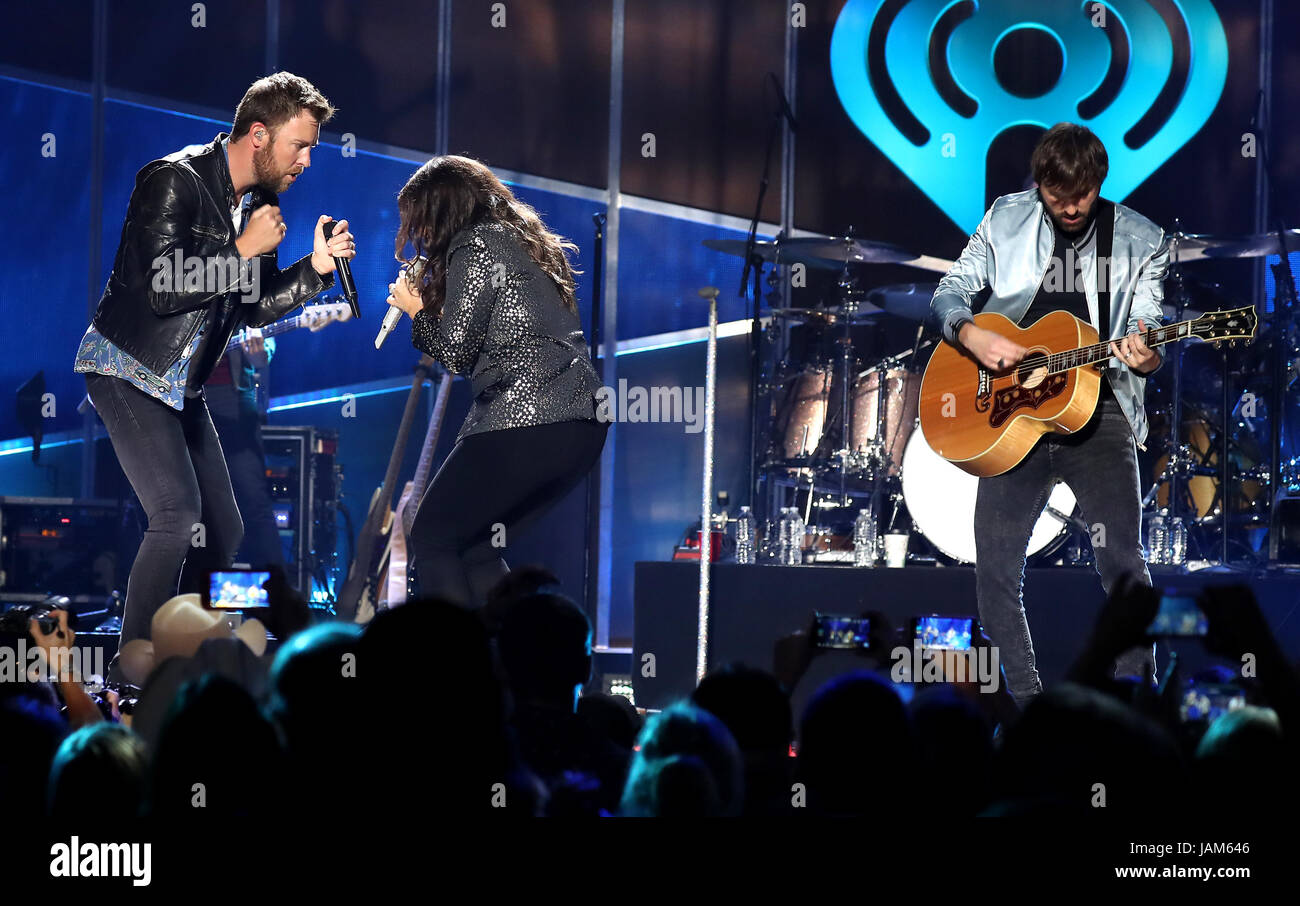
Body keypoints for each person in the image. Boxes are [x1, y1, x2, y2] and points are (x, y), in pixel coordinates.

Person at [74, 72, 356, 660]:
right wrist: (241, 250)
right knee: (176, 511)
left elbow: (250, 307)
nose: (306, 160)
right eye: (299, 145)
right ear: (258, 134)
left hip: (184, 383)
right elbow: (159, 290)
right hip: (126, 366)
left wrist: (315, 269)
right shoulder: (172, 181)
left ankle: (186, 646)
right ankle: (135, 664)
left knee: (223, 529)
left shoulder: (261, 204)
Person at [929, 123, 1169, 706]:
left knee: (1123, 566)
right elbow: (949, 291)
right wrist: (972, 334)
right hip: (1011, 417)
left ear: (1098, 182)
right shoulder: (1005, 218)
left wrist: (1146, 355)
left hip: (1098, 406)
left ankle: (1133, 706)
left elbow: (1148, 326)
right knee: (994, 572)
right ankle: (1027, 708)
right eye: (1055, 194)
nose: (1069, 206)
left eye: (1081, 195)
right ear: (1038, 185)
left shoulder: (1141, 240)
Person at [384, 156, 607, 608]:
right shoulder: (522, 241)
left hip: (530, 415)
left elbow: (456, 352)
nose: (422, 237)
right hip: (579, 424)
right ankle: (518, 667)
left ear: (442, 211)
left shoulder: (477, 243)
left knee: (432, 536)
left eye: (423, 223)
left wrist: (414, 310)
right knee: (477, 550)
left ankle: (463, 673)